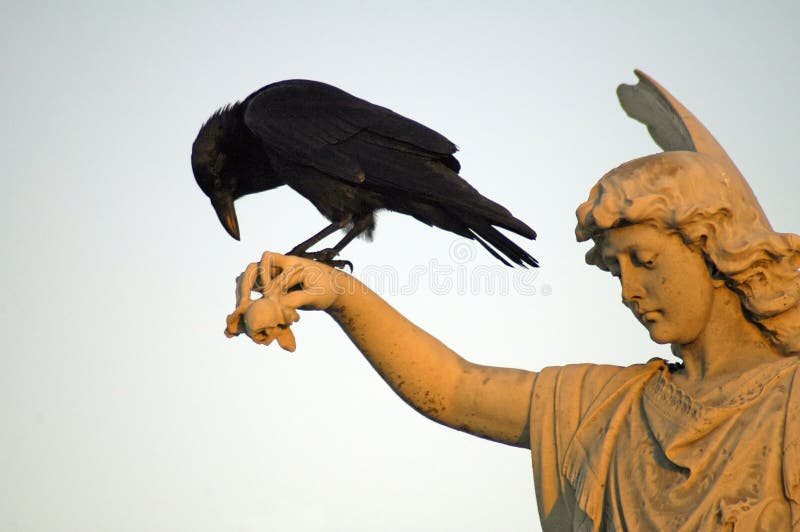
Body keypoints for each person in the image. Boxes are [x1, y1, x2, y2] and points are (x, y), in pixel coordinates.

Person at [227, 75, 800, 530]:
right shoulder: (609, 406)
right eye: (612, 269)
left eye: (645, 261)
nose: (627, 291)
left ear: (714, 247)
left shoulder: (788, 402)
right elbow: (453, 389)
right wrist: (336, 293)